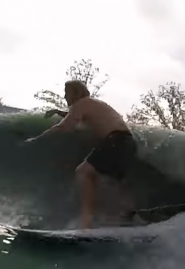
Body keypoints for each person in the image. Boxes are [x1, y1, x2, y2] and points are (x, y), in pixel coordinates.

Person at [25, 80, 137, 229]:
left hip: (115, 141)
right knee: (107, 182)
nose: (65, 96)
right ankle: (128, 215)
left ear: (74, 92)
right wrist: (59, 112)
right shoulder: (93, 104)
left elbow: (65, 126)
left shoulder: (81, 103)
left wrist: (37, 139)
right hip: (128, 144)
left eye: (66, 93)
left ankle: (86, 223)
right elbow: (82, 117)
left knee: (83, 172)